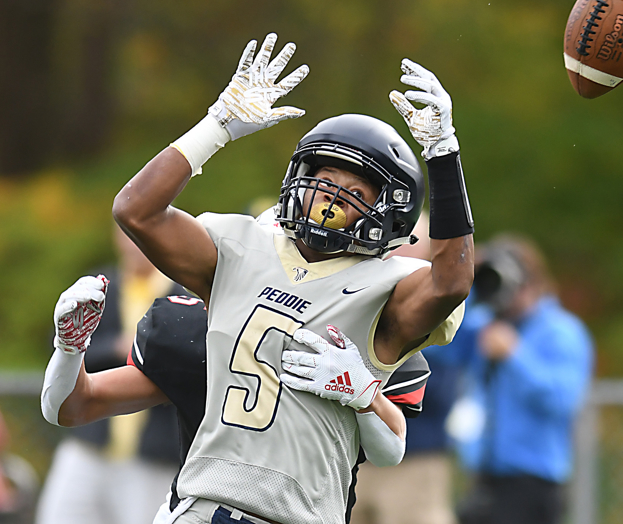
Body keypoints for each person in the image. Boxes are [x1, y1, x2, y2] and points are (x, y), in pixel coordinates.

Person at [110, 31, 474, 524]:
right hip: (204, 506)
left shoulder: (388, 286)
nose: (331, 197)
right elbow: (136, 210)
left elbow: (452, 281)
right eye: (324, 181)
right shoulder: (240, 246)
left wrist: (443, 156)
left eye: (354, 191)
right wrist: (218, 124)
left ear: (390, 214)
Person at [41, 271, 429, 524]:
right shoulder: (200, 334)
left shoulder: (354, 343)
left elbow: (389, 452)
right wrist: (69, 350)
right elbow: (72, 406)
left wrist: (365, 393)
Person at [36, 227, 184, 524]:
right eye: (128, 233)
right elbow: (61, 354)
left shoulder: (182, 297)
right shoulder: (98, 287)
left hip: (153, 457)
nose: (136, 243)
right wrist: (117, 347)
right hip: (89, 444)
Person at [452, 235, 594, 524]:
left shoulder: (563, 332)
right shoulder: (486, 325)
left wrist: (515, 355)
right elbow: (441, 346)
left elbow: (563, 400)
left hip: (533, 482)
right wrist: (466, 279)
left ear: (530, 283)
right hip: (484, 479)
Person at [349, 211, 460, 524]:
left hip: (416, 460)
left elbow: (440, 387)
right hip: (354, 456)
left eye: (410, 243)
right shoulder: (362, 292)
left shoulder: (446, 303)